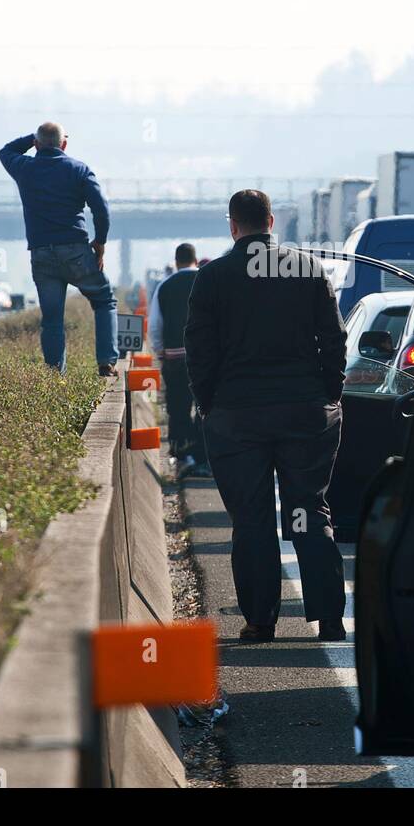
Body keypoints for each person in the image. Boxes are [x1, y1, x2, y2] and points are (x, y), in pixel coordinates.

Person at [184, 189, 348, 642]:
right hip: (305, 413)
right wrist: (327, 395)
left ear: (233, 226)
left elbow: (200, 351)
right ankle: (330, 618)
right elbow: (334, 341)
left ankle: (260, 620)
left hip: (238, 418)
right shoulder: (309, 269)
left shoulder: (213, 277)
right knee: (309, 510)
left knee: (252, 518)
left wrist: (211, 404)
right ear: (271, 222)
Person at [0, 122, 118, 375]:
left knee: (52, 320)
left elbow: (5, 151)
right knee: (104, 300)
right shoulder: (79, 170)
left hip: (41, 254)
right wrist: (100, 242)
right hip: (76, 251)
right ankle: (106, 362)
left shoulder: (24, 168)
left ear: (37, 144)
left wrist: (33, 138)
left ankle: (55, 377)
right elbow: (101, 209)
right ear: (64, 144)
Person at [149, 242, 208, 477]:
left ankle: (183, 458)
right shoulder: (209, 280)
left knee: (178, 409)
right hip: (206, 359)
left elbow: (154, 326)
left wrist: (160, 352)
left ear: (176, 261)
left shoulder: (165, 286)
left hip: (175, 359)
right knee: (206, 408)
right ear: (195, 260)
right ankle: (204, 458)